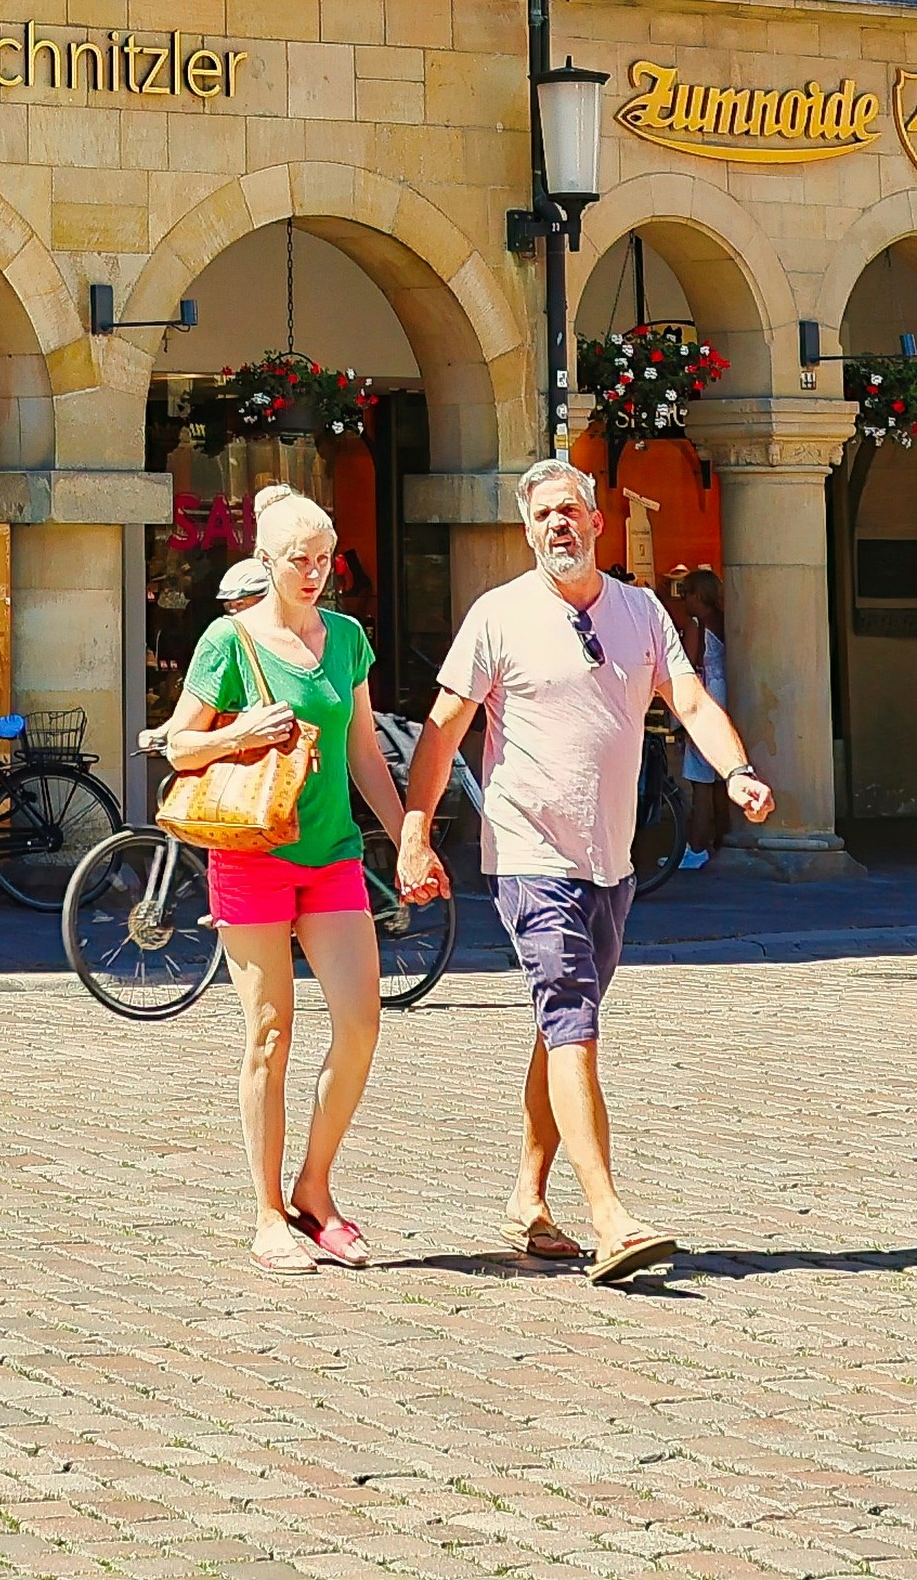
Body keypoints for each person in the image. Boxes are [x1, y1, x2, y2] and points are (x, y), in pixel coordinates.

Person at [396, 454, 769, 1288]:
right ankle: (610, 1217)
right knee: (573, 1021)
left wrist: (736, 769)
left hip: (611, 857)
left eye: (569, 510)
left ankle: (528, 1198)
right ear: (528, 530)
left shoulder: (641, 612)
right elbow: (443, 726)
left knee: (561, 1022)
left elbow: (692, 701)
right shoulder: (498, 615)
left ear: (598, 521)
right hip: (531, 853)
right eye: (541, 516)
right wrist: (415, 830)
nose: (557, 525)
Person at [154, 487, 416, 1271]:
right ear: (265, 559)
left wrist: (408, 838)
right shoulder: (226, 640)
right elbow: (175, 746)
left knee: (361, 1024)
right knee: (270, 1032)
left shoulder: (346, 639)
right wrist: (239, 728)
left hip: (333, 851)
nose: (314, 572)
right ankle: (267, 1211)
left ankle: (315, 1188)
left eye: (323, 557)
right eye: (297, 558)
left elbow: (365, 751)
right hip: (252, 854)